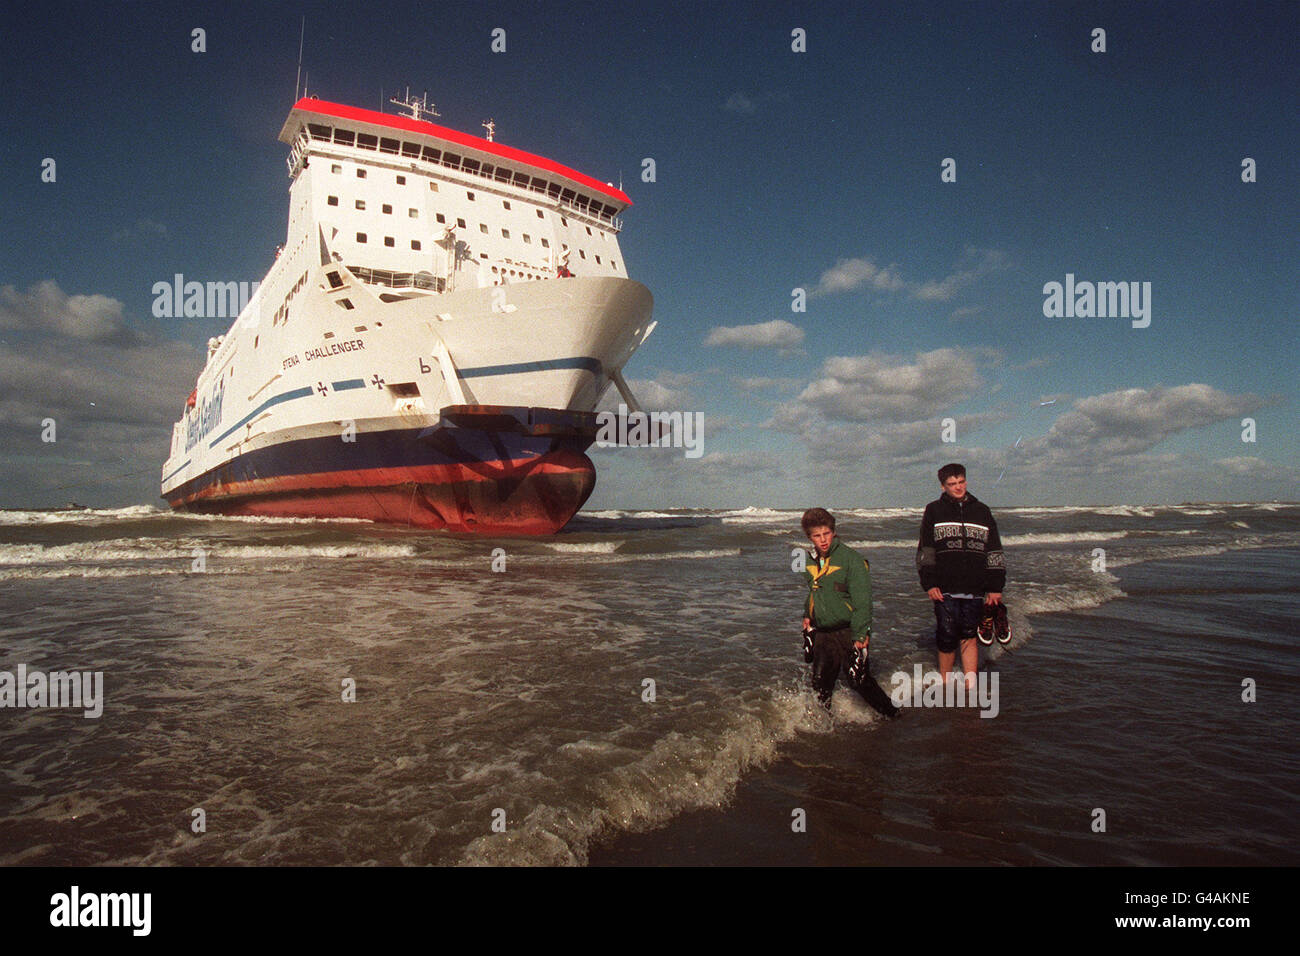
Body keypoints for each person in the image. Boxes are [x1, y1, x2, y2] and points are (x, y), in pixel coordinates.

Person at [799, 508, 900, 717]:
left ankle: (893, 715)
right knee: (820, 684)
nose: (823, 540)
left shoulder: (852, 559)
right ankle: (823, 727)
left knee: (859, 680)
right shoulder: (807, 560)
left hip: (848, 630)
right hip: (823, 633)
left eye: (826, 533)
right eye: (817, 536)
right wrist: (807, 615)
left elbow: (863, 601)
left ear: (833, 532)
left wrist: (861, 634)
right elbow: (814, 591)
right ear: (809, 537)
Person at [916, 463, 1005, 689]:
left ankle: (970, 683)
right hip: (944, 585)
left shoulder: (982, 511)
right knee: (946, 633)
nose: (958, 487)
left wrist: (995, 586)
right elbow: (926, 549)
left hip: (976, 585)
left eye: (961, 482)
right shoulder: (934, 510)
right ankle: (945, 681)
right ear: (943, 486)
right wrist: (929, 583)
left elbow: (994, 549)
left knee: (969, 633)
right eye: (952, 484)